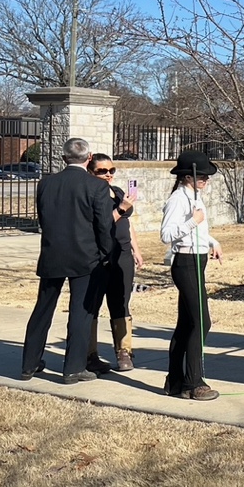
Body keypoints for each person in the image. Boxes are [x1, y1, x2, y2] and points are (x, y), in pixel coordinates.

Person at [20, 137, 116, 384]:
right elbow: (104, 226)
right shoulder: (96, 187)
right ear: (90, 157)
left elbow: (43, 218)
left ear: (64, 158)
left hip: (53, 254)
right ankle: (73, 368)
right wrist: (107, 253)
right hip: (85, 256)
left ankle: (29, 363)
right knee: (80, 312)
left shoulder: (46, 183)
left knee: (43, 309)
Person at [160, 150, 224, 400]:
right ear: (188, 176)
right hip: (185, 262)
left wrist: (211, 241)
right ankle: (194, 383)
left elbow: (197, 231)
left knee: (187, 323)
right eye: (203, 176)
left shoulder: (194, 197)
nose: (206, 180)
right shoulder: (178, 198)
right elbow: (166, 235)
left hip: (197, 259)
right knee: (201, 322)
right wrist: (193, 221)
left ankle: (175, 381)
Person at [86, 153, 144, 371]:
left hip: (122, 254)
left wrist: (136, 250)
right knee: (92, 304)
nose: (108, 174)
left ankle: (124, 352)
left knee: (121, 301)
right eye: (102, 171)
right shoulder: (89, 194)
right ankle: (90, 354)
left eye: (111, 170)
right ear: (91, 171)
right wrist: (122, 208)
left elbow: (127, 225)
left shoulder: (118, 192)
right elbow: (100, 225)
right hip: (99, 256)